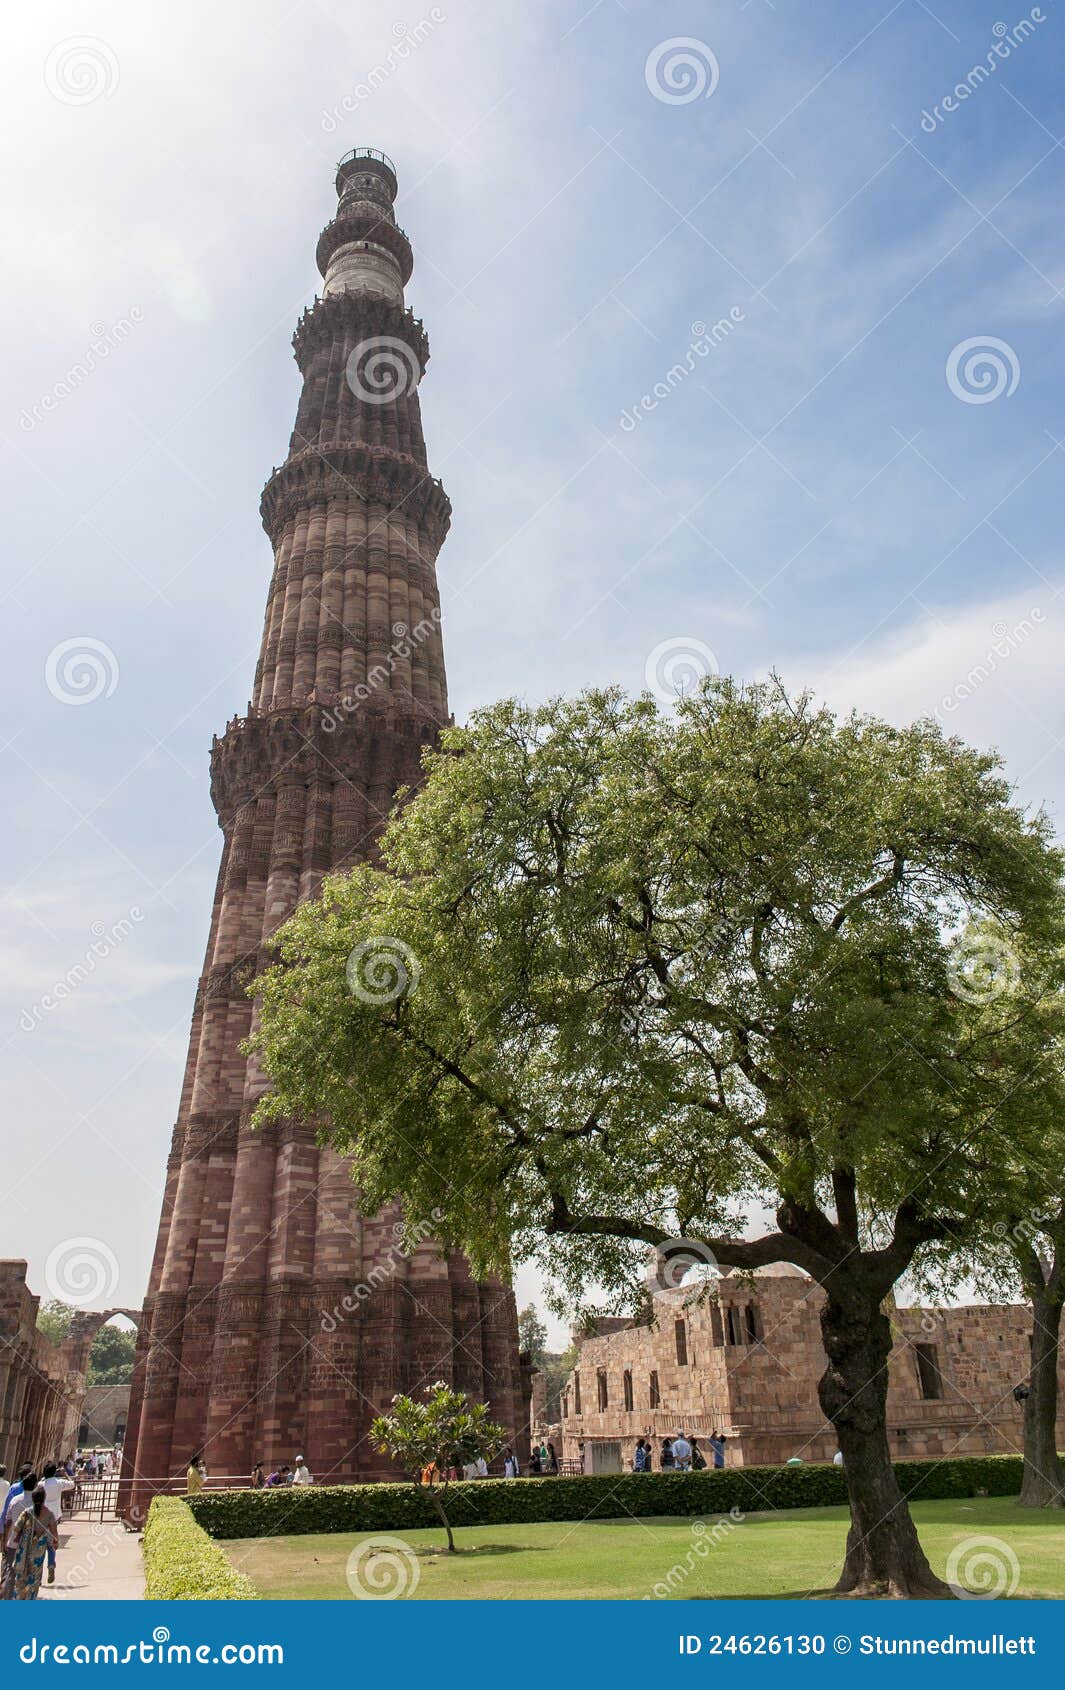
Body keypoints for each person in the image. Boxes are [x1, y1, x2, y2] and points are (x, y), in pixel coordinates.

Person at [8, 1487, 59, 1602]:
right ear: (44, 1498)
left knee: (20, 1581)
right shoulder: (50, 1515)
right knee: (33, 1581)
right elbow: (55, 1536)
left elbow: (16, 1529)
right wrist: (53, 1545)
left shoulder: (26, 1513)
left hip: (23, 1552)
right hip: (38, 1555)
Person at [0, 1471, 38, 1600]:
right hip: (30, 1544)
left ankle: (7, 1598)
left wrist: (5, 1540)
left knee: (9, 1571)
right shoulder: (37, 1503)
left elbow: (8, 1522)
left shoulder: (15, 1500)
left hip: (13, 1542)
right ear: (35, 1485)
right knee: (28, 1574)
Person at [39, 1463, 73, 1586]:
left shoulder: (41, 1484)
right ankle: (51, 1564)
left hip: (42, 1517)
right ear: (55, 1472)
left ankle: (38, 1575)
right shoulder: (59, 1483)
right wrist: (65, 1474)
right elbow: (72, 1484)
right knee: (52, 1543)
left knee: (40, 1546)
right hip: (54, 1517)